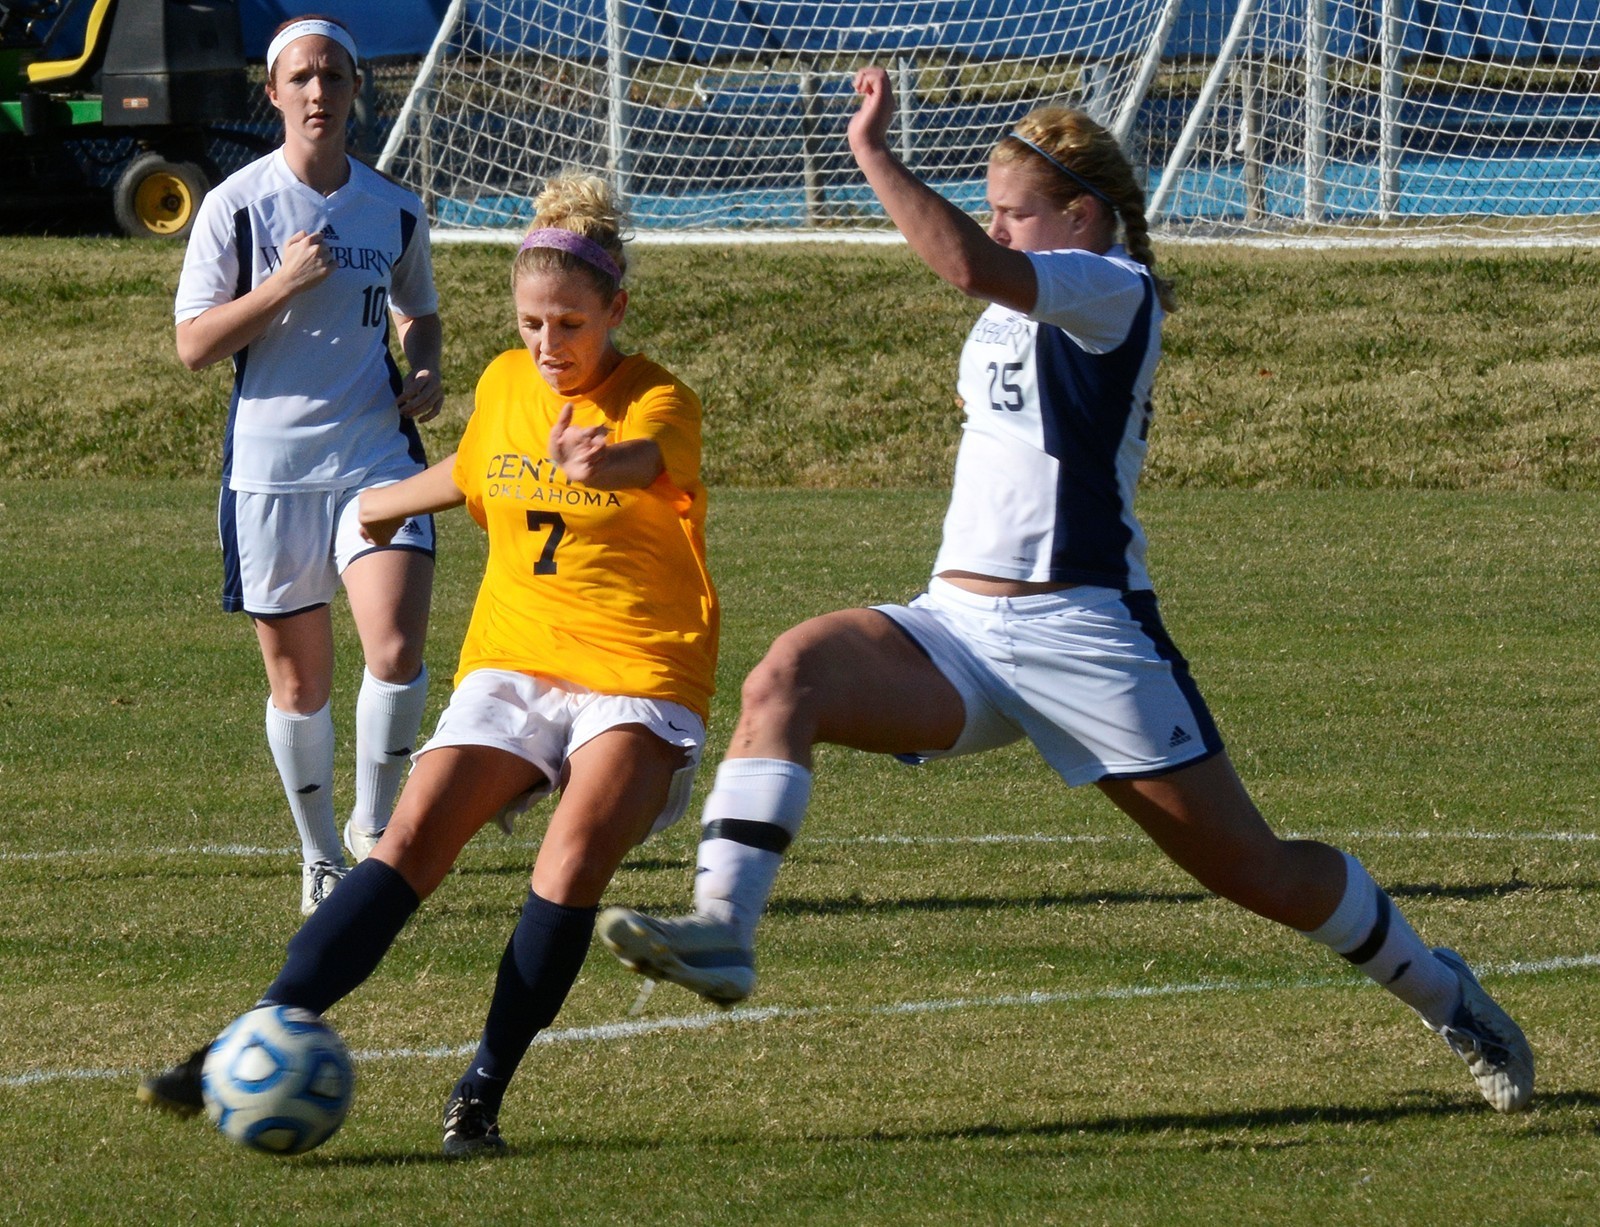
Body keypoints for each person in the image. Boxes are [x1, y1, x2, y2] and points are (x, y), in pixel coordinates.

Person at [598, 65, 1535, 1115]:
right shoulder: (1030, 291)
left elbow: (962, 265)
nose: (998, 227)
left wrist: (870, 152)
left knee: (1256, 871)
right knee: (791, 672)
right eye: (995, 210)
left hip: (1084, 633)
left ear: (1080, 215)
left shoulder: (1110, 285)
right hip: (955, 623)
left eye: (1015, 212)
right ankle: (723, 929)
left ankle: (1444, 993)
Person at [139, 171, 720, 1156]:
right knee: (404, 843)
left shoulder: (659, 401)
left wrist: (601, 462)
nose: (548, 346)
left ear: (615, 312)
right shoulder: (504, 384)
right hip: (514, 660)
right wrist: (386, 502)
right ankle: (248, 1033)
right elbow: (483, 465)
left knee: (570, 859)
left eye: (570, 325)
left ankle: (480, 1094)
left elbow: (643, 461)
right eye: (533, 323)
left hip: (638, 671)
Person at [172, 16, 442, 916]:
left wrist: (429, 364)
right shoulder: (235, 206)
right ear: (274, 93)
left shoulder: (393, 208)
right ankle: (320, 852)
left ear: (357, 91)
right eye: (302, 79)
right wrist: (281, 285)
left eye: (334, 76)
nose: (319, 92)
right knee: (301, 683)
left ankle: (375, 829)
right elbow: (193, 345)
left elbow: (418, 309)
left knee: (397, 650)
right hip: (273, 471)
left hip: (375, 454)